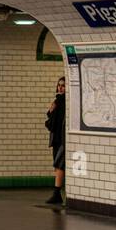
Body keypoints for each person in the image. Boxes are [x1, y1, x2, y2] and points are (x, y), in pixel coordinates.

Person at [45, 76, 67, 205]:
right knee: (58, 165)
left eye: (63, 85)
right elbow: (53, 118)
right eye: (59, 85)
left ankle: (57, 193)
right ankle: (57, 193)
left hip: (62, 138)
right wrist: (50, 111)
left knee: (59, 165)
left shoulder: (62, 101)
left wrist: (51, 111)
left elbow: (54, 121)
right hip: (57, 138)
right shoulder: (58, 100)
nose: (60, 87)